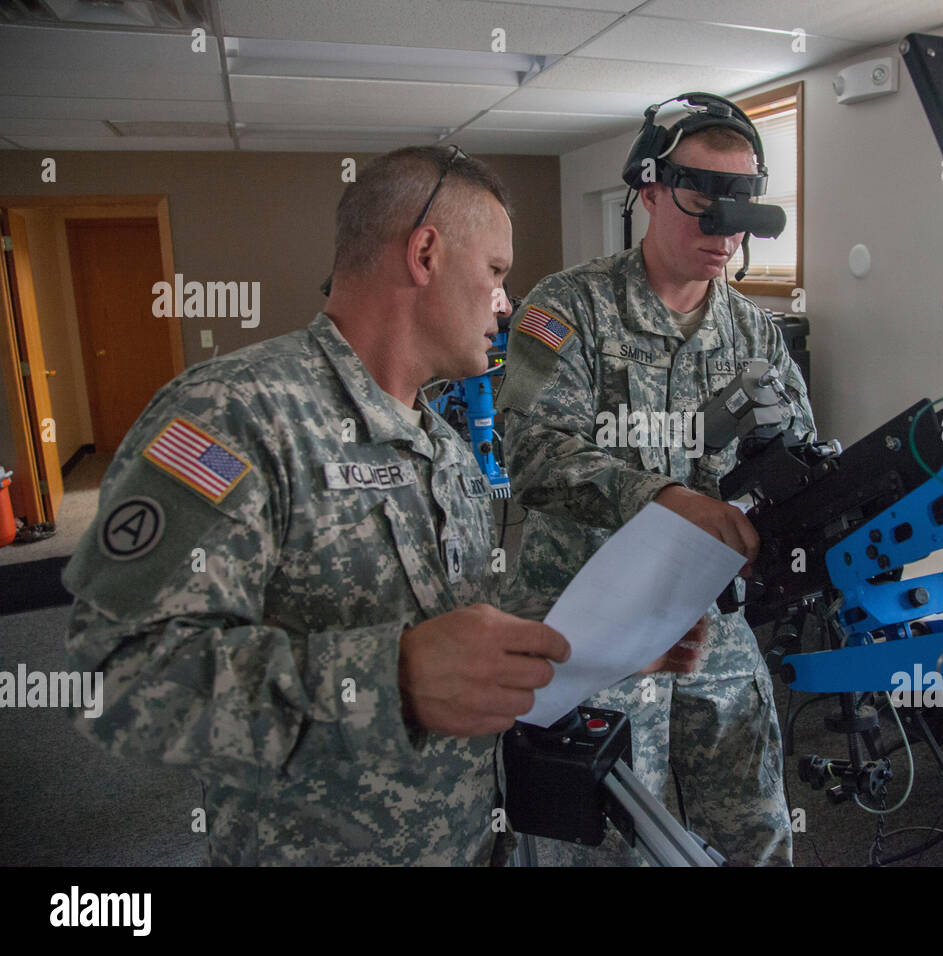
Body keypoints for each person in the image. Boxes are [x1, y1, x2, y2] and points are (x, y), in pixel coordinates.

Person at [61, 145, 577, 866]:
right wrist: (390, 677)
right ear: (425, 252)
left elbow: (457, 628)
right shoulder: (233, 415)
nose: (506, 304)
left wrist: (590, 642)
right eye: (495, 272)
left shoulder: (445, 447)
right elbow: (114, 676)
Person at [498, 95, 816, 866]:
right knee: (599, 842)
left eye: (742, 203)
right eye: (703, 197)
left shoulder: (751, 329)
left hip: (713, 620)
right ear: (647, 191)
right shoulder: (568, 307)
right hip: (589, 619)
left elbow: (797, 449)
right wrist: (665, 500)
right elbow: (534, 449)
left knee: (755, 826)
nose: (724, 228)